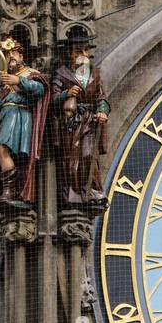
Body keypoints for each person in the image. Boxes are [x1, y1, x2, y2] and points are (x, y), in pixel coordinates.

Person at [0, 37, 49, 203]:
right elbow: (5, 102)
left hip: (20, 117)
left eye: (14, 53)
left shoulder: (30, 74)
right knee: (5, 152)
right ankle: (12, 190)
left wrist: (19, 81)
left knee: (2, 150)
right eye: (7, 55)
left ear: (22, 56)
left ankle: (10, 190)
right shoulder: (8, 78)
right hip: (8, 117)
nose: (11, 57)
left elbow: (40, 90)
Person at [51, 37, 110, 205]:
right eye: (78, 50)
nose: (83, 55)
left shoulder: (94, 74)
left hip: (89, 121)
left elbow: (102, 98)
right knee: (71, 159)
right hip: (71, 122)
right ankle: (73, 194)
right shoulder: (61, 73)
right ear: (70, 53)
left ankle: (93, 191)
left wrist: (102, 111)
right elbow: (53, 99)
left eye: (86, 50)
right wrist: (66, 94)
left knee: (89, 154)